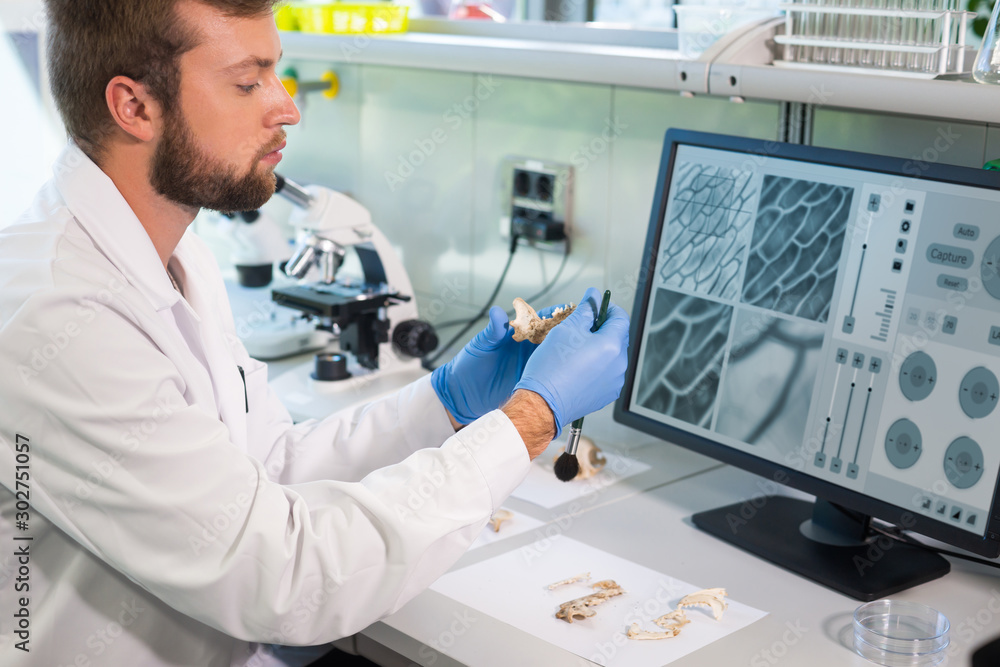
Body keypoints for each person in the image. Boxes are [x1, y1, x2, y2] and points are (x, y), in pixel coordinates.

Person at [0, 1, 630, 666]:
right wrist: (531, 418)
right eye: (248, 83)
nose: (287, 108)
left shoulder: (177, 254)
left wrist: (445, 404)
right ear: (135, 107)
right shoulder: (59, 316)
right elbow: (284, 576)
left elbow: (268, 467)